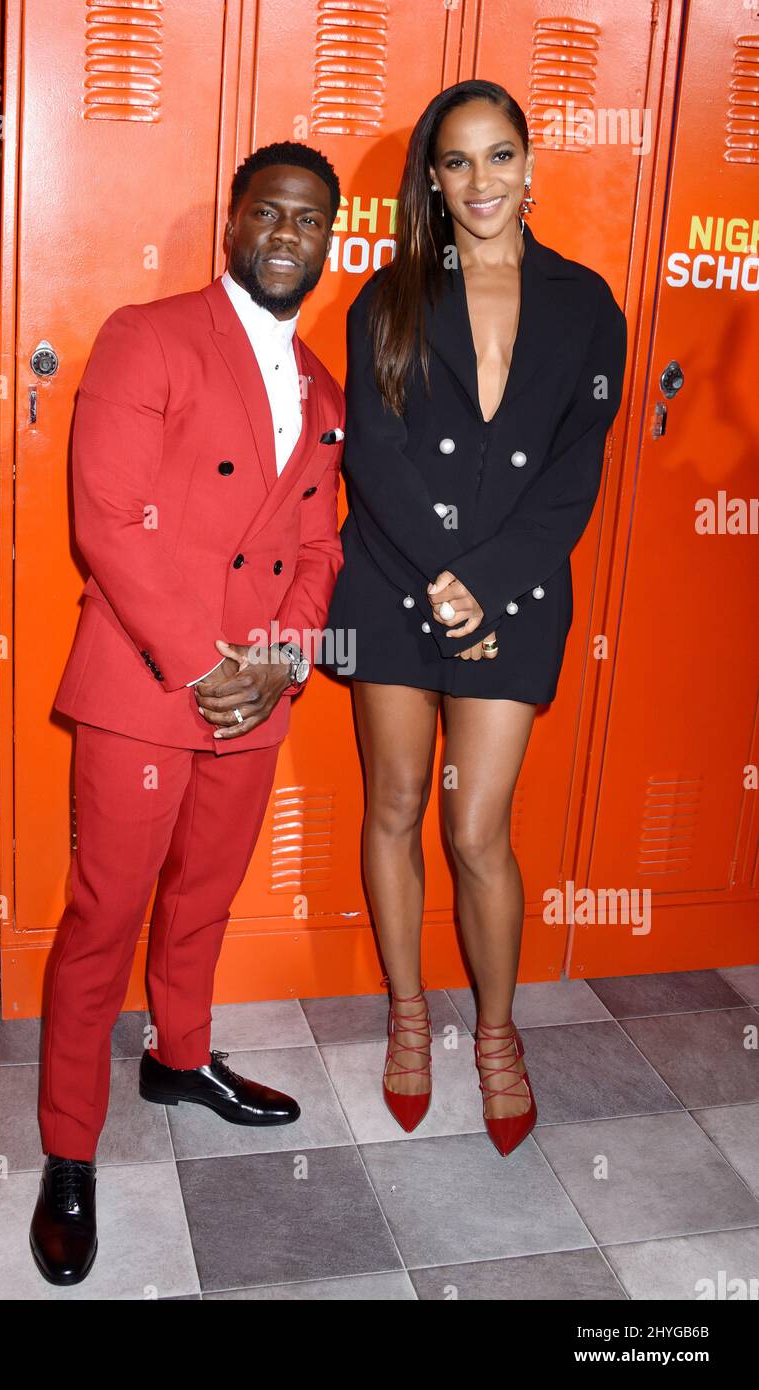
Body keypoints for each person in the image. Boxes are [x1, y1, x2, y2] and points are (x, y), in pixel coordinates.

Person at [31, 141, 345, 1284]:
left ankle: (181, 1057)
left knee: (204, 899)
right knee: (103, 920)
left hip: (255, 695)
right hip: (145, 687)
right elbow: (106, 518)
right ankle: (71, 1148)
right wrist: (207, 659)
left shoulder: (323, 385)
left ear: (328, 240)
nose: (286, 235)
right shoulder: (147, 334)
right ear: (234, 220)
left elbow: (319, 544)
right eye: (270, 213)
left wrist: (285, 658)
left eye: (310, 221)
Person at [321, 80, 627, 1153]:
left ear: (531, 164)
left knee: (475, 828)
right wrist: (445, 581)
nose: (481, 182)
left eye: (500, 157)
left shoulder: (588, 304)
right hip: (395, 582)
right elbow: (373, 452)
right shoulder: (390, 296)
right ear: (432, 178)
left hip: (516, 592)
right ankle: (409, 1014)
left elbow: (571, 473)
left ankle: (499, 1032)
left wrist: (487, 586)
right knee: (396, 802)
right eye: (457, 162)